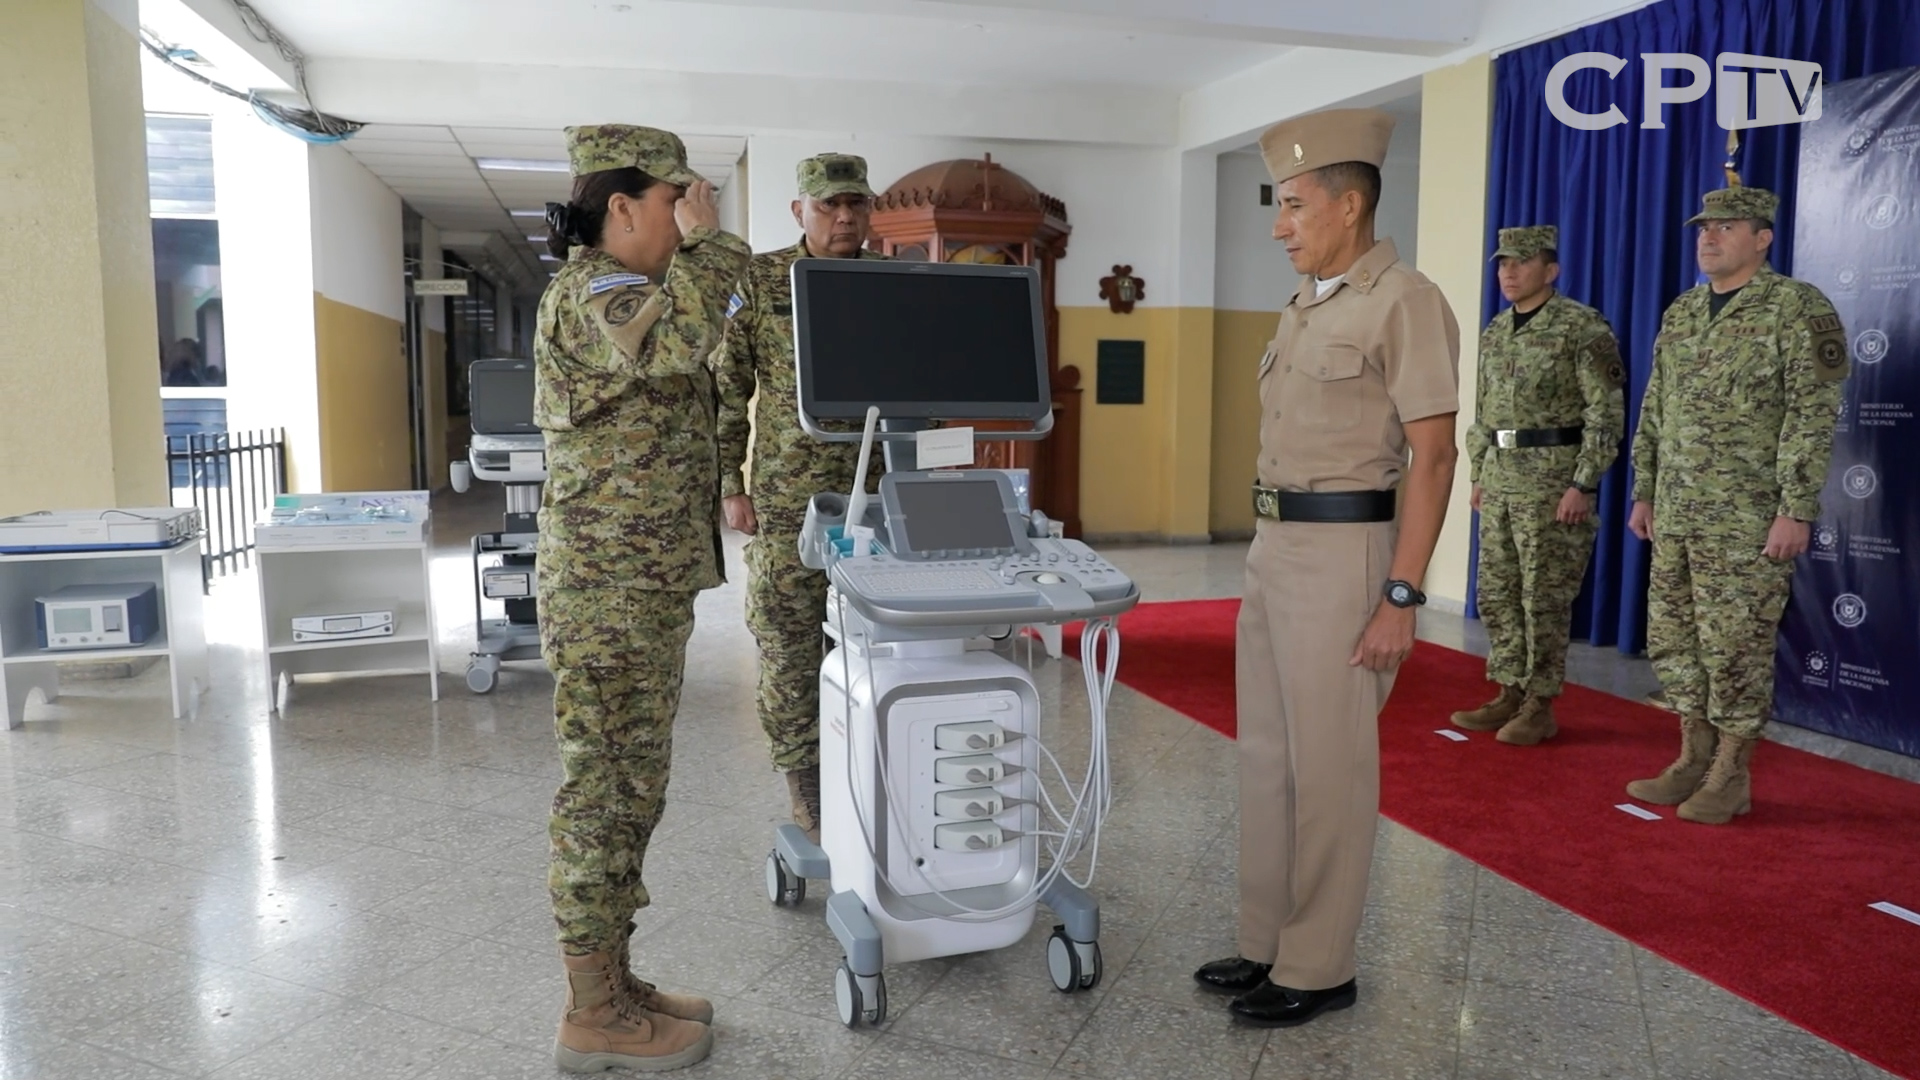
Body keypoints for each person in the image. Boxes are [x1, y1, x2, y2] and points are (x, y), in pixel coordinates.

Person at [1193, 108, 1461, 1027]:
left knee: (1331, 768)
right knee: (1269, 756)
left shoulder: (1405, 300)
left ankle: (1320, 964)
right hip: (1274, 549)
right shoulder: (1306, 305)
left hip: (1347, 555)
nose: (1280, 225)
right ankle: (1266, 938)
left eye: (1294, 205)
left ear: (1350, 206)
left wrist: (1401, 594)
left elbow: (1435, 456)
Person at [534, 123, 752, 1072]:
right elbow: (679, 346)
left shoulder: (632, 290)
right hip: (607, 591)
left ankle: (615, 983)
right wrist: (715, 244)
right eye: (677, 199)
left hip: (639, 588)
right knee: (604, 794)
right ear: (620, 207)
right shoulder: (594, 291)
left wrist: (699, 249)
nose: (689, 214)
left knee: (633, 790)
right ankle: (590, 1013)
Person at [1625, 185, 1848, 825]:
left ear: (1763, 238)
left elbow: (1812, 414)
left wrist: (1795, 507)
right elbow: (1656, 405)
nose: (1709, 236)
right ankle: (1692, 757)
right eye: (1704, 227)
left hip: (1747, 516)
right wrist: (1645, 488)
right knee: (1675, 640)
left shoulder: (1798, 307)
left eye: (1726, 226)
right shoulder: (1683, 310)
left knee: (1735, 648)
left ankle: (1730, 773)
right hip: (1677, 511)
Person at [714, 153, 887, 843]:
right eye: (828, 205)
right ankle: (805, 779)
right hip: (789, 496)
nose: (843, 217)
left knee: (876, 634)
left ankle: (869, 761)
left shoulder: (892, 283)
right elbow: (727, 390)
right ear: (800, 211)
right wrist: (730, 484)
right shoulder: (760, 280)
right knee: (789, 638)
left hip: (877, 494)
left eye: (855, 204)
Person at [1453, 226, 1625, 745]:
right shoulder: (1497, 330)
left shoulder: (1582, 327)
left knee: (1543, 597)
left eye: (1521, 263)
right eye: (1503, 263)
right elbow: (1485, 410)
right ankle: (1509, 688)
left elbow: (1605, 411)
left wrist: (1583, 483)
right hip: (1501, 478)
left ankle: (1539, 703)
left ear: (1551, 271)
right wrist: (1480, 472)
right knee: (1497, 592)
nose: (1508, 272)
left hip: (1552, 482)